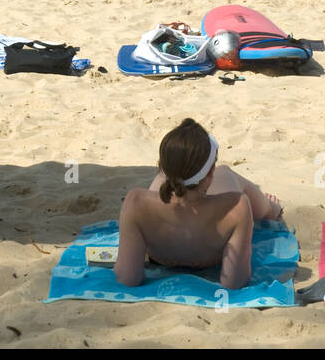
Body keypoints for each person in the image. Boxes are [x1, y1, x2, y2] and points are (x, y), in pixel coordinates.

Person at [115, 118, 283, 290]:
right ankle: (273, 209)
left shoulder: (135, 202)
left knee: (161, 183)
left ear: (161, 166)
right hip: (211, 254)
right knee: (226, 173)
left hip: (161, 255)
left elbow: (127, 278)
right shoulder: (237, 207)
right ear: (211, 172)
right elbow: (234, 283)